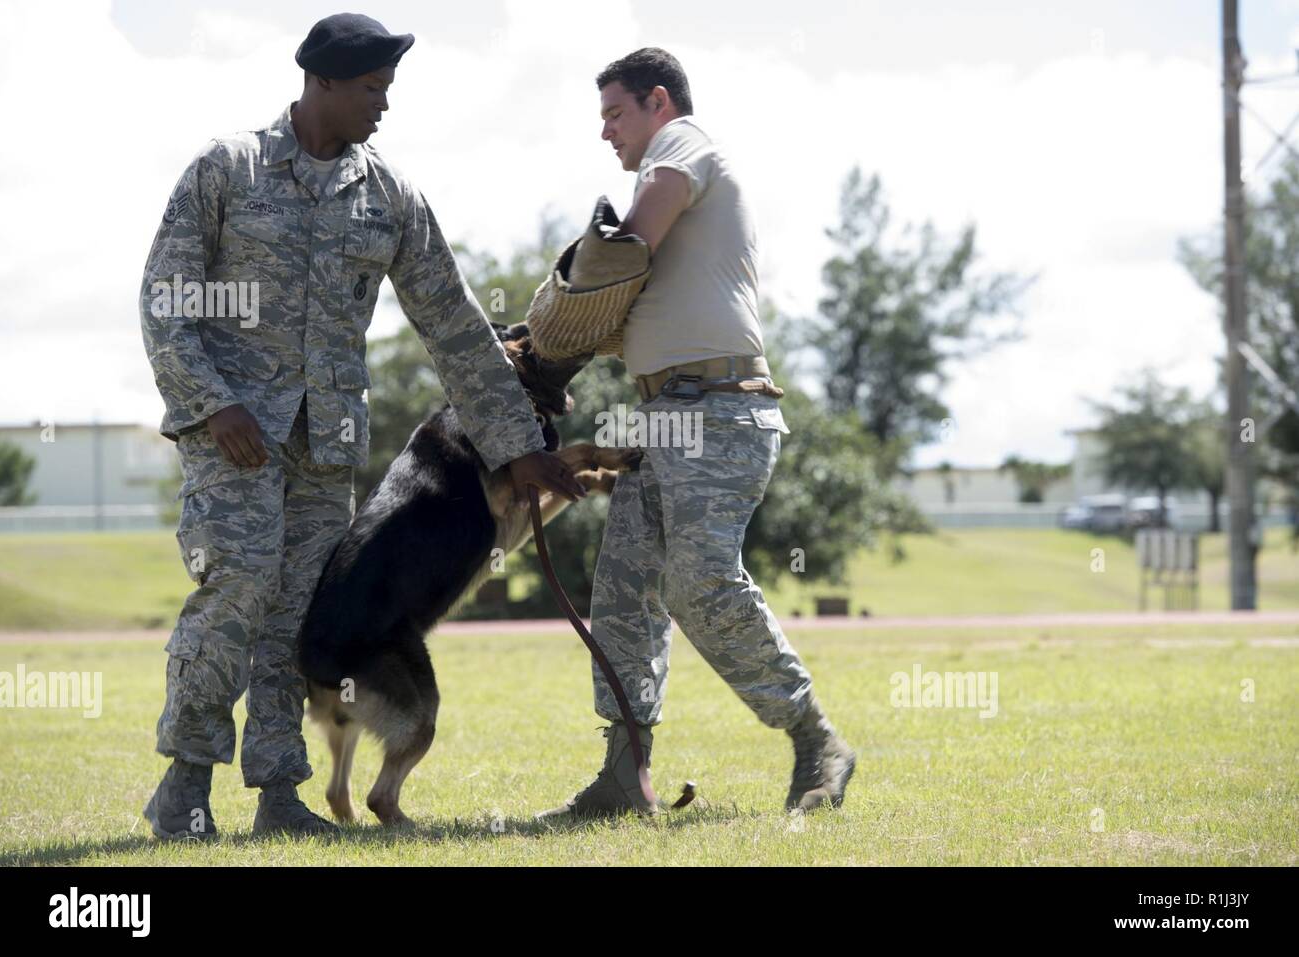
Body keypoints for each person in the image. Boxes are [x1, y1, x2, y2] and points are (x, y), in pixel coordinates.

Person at [140, 13, 585, 839]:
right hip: (233, 437)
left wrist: (519, 447)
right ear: (323, 82)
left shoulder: (389, 196)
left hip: (325, 449)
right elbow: (165, 300)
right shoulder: (227, 170)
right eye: (372, 89)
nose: (383, 105)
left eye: (388, 89)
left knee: (302, 617)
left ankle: (279, 795)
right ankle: (185, 784)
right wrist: (210, 401)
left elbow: (455, 325)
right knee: (234, 594)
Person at [538, 48, 855, 819]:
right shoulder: (667, 173)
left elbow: (627, 249)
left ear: (657, 102)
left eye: (615, 114)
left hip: (721, 407)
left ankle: (816, 739)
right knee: (623, 586)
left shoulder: (684, 145)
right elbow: (623, 292)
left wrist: (594, 271)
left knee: (697, 581)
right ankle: (623, 773)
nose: (607, 132)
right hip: (667, 414)